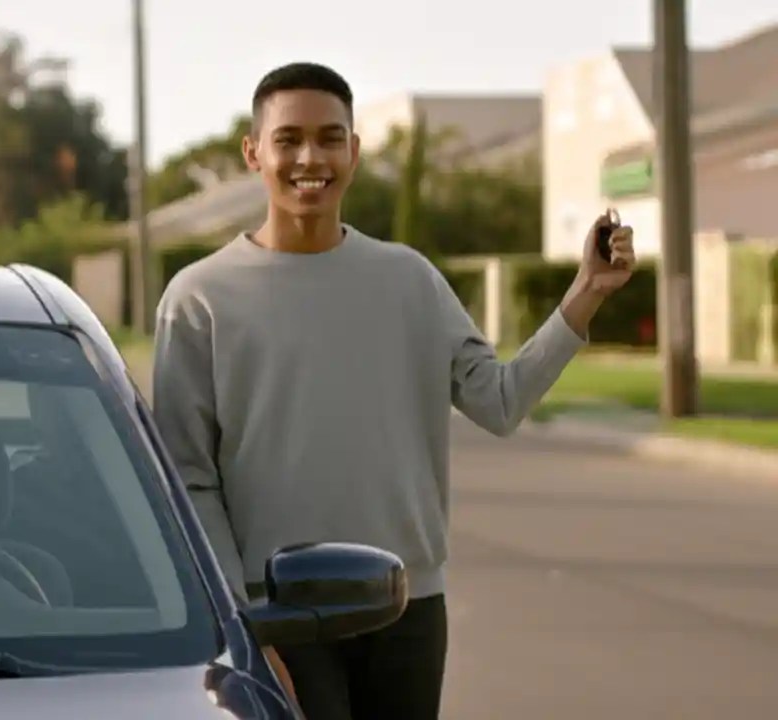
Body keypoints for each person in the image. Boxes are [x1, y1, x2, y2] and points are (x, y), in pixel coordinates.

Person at [150, 62, 636, 720]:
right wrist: (243, 626)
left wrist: (587, 293)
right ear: (253, 152)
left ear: (353, 151)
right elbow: (190, 477)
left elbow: (498, 401)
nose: (309, 158)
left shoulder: (410, 280)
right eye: (288, 139)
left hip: (406, 605)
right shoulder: (198, 298)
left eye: (329, 138)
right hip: (276, 615)